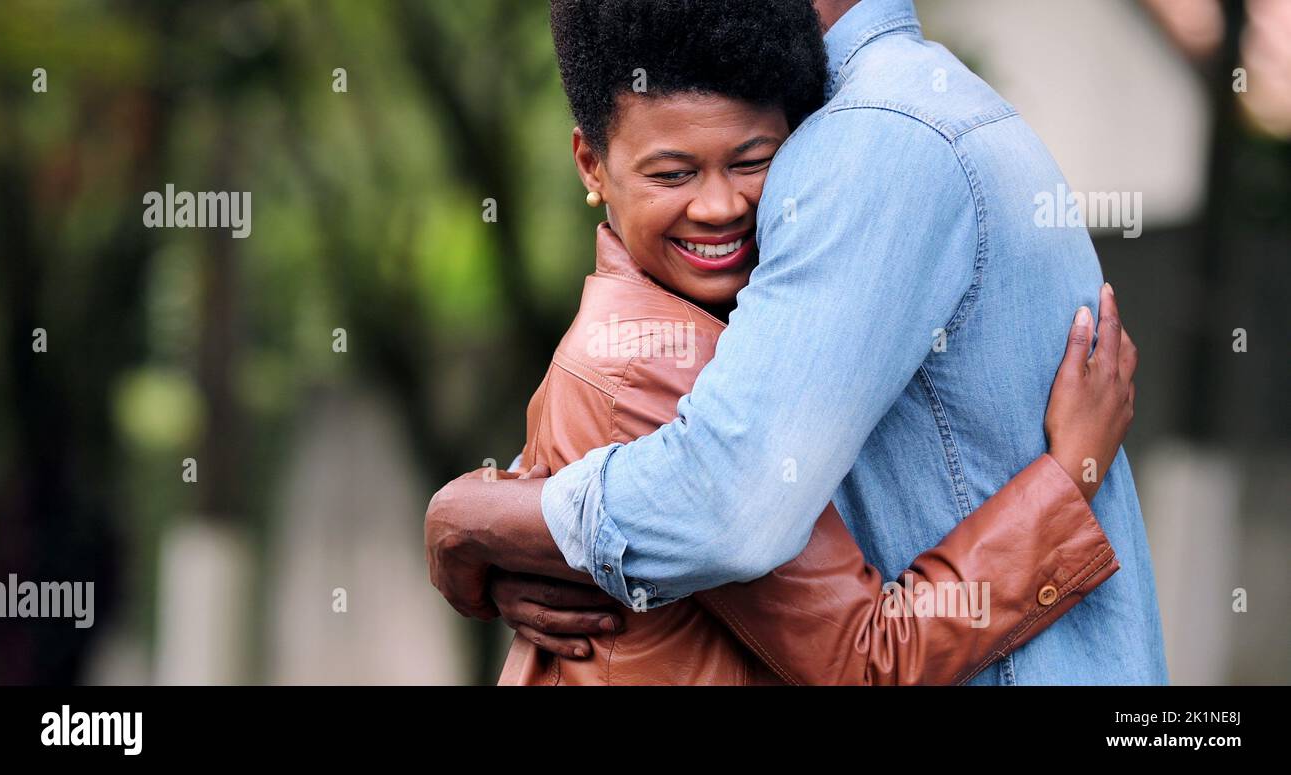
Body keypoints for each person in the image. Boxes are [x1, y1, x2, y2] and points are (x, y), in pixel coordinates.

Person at [428, 0, 1166, 685]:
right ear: (592, 164)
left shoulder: (864, 135)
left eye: (753, 161)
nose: (720, 204)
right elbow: (852, 646)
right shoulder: (662, 354)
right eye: (673, 172)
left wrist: (498, 523)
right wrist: (1065, 485)